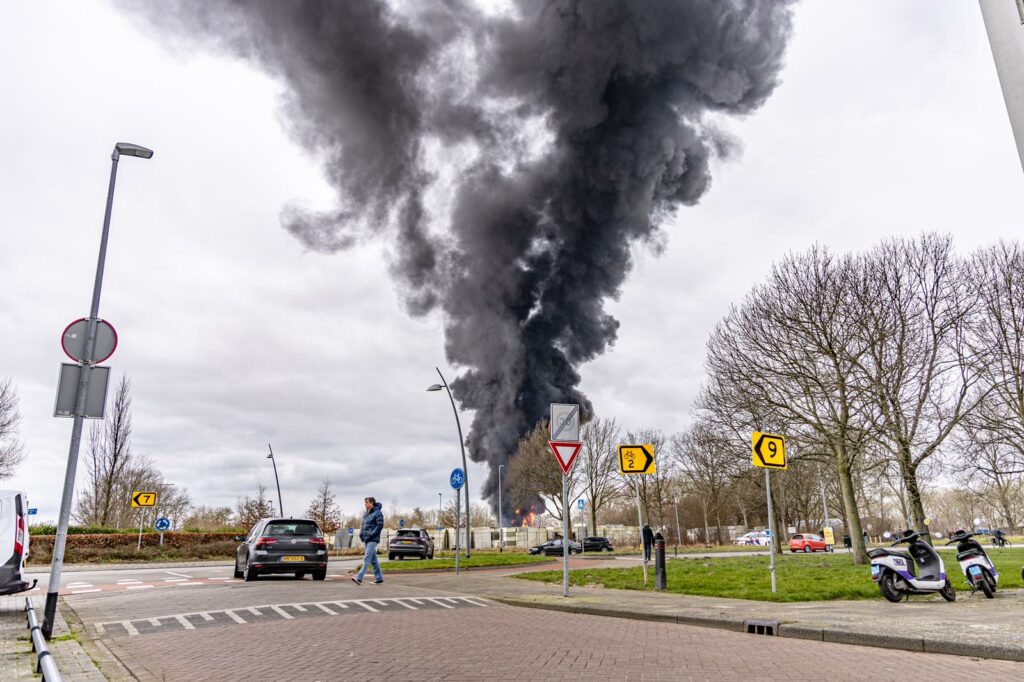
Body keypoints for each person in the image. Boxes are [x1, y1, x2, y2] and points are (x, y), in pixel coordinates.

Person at [352, 497, 384, 585]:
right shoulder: (366, 514)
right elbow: (363, 525)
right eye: (365, 502)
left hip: (373, 539)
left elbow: (380, 525)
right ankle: (379, 578)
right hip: (366, 539)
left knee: (367, 558)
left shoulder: (378, 513)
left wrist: (371, 534)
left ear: (371, 503)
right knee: (374, 560)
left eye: (366, 502)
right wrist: (361, 534)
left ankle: (359, 578)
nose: (365, 504)